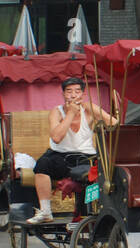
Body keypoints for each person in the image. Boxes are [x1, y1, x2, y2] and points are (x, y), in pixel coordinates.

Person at [26, 77, 116, 224]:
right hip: (60, 156)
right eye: (69, 92)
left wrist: (104, 123)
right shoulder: (57, 112)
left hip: (84, 156)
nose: (73, 95)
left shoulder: (89, 108)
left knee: (98, 172)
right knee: (42, 164)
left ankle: (96, 212)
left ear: (82, 94)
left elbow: (113, 123)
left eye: (77, 91)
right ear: (63, 94)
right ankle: (45, 211)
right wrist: (71, 114)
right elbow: (56, 137)